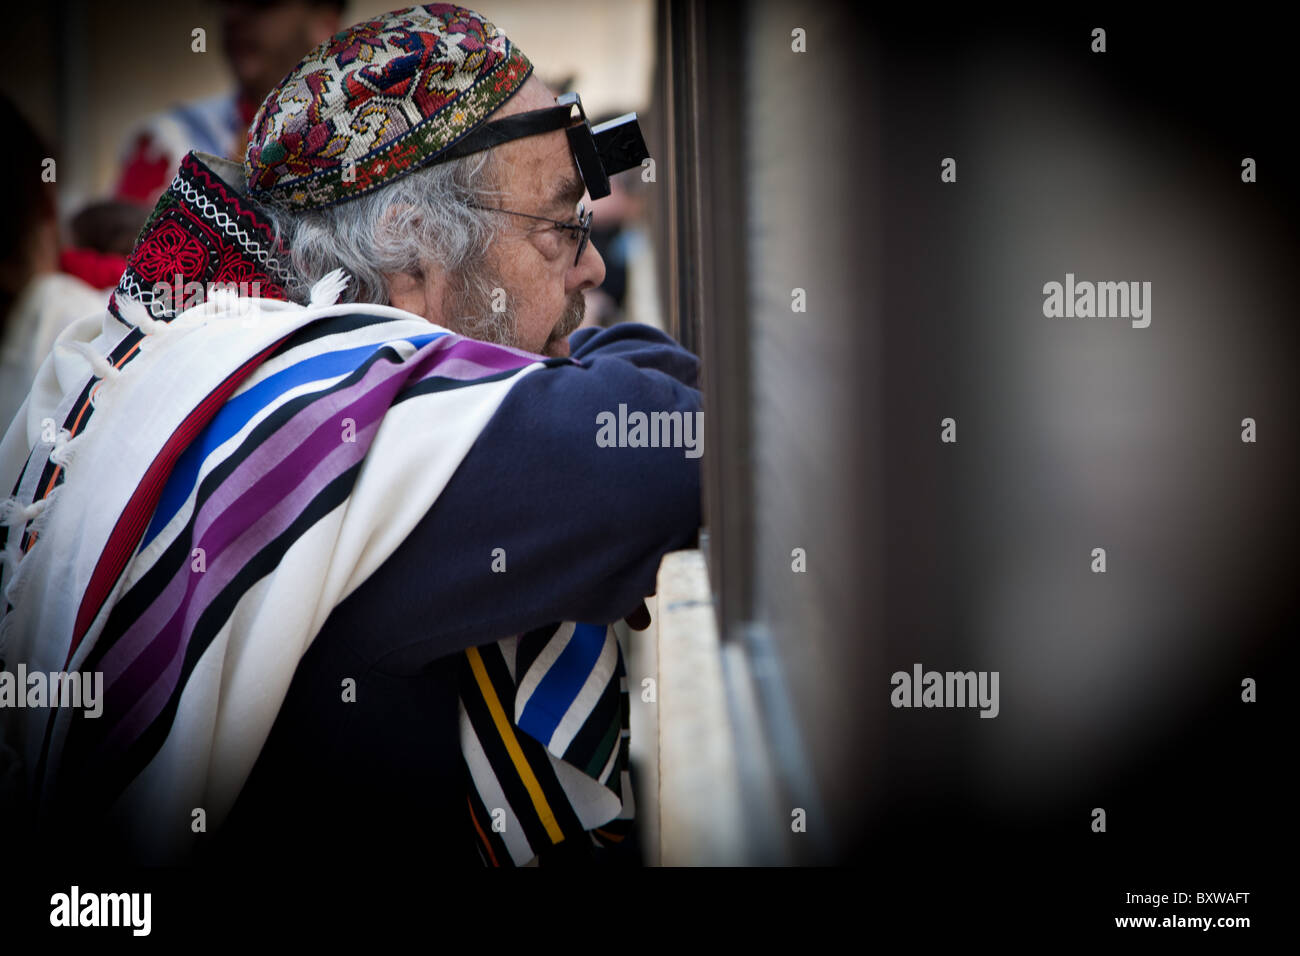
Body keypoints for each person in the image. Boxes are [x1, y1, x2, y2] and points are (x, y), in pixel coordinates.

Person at [0, 4, 700, 869]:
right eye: (560, 226)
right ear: (413, 258)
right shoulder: (337, 433)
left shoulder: (233, 368)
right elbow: (672, 444)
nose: (591, 265)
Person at [115, 0, 345, 205]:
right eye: (226, 2)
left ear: (325, 23)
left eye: (260, 4)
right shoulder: (168, 144)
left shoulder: (362, 138)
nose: (233, 16)